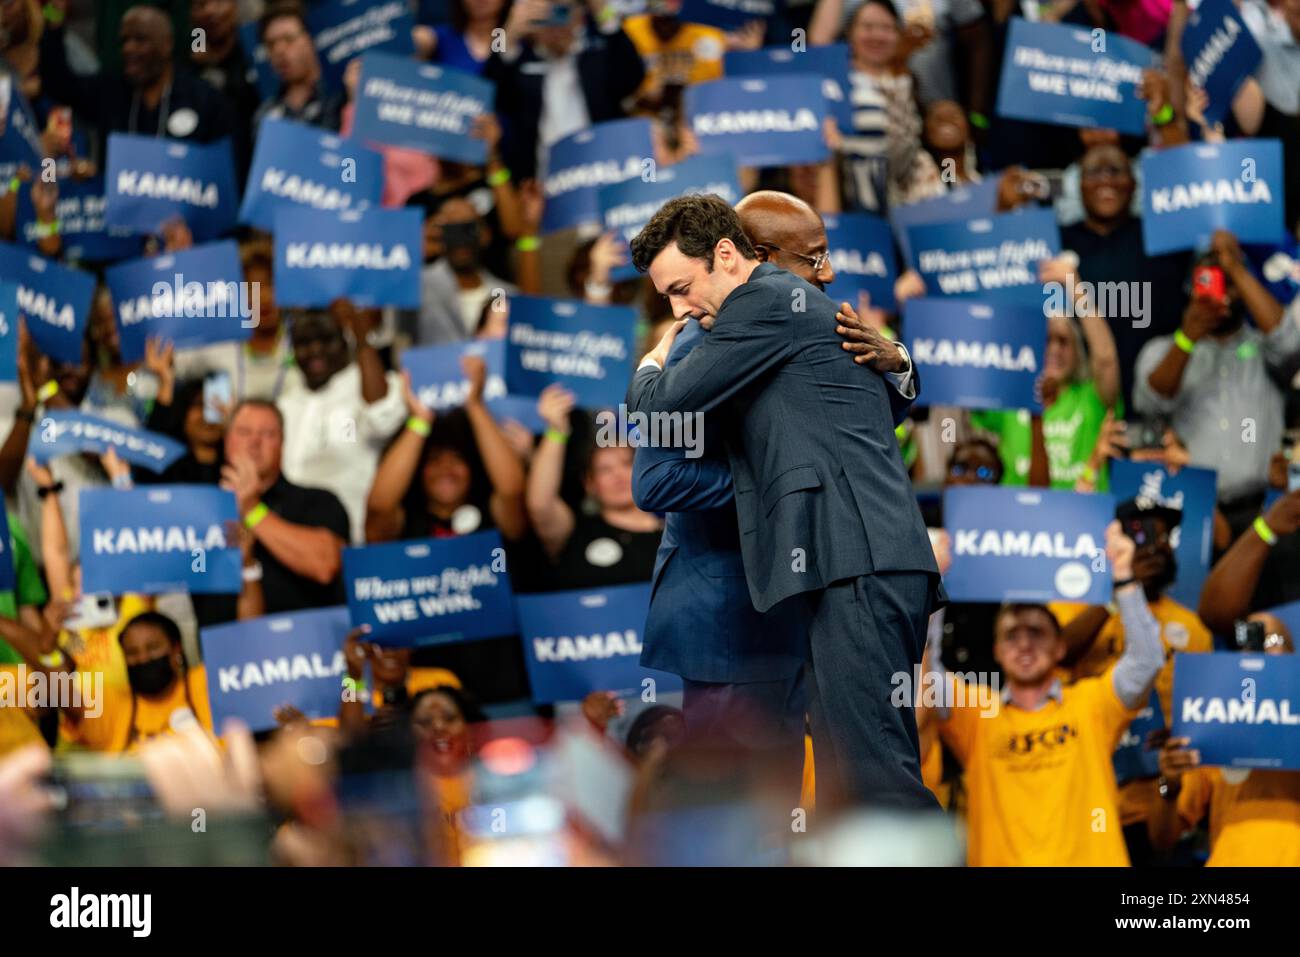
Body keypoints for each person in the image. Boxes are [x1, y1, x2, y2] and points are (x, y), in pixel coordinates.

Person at [627, 193, 941, 810]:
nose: (681, 309)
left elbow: (658, 411)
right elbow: (848, 413)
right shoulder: (770, 314)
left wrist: (650, 361)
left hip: (856, 565)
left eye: (683, 288)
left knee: (874, 784)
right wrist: (901, 362)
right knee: (850, 789)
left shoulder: (764, 303)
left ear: (729, 254)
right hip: (837, 571)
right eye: (669, 296)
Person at [926, 522, 1165, 865]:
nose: (1024, 643)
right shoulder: (977, 713)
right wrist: (932, 582)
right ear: (996, 651)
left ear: (1059, 649)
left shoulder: (1091, 703)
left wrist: (1124, 577)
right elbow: (926, 676)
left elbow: (1147, 661)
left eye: (1036, 632)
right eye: (1012, 635)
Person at [1051, 496, 1214, 863]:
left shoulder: (1193, 628)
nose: (1154, 548)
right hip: (1094, 795)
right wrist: (1117, 588)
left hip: (1165, 801)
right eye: (1140, 537)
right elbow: (1057, 654)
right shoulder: (1081, 608)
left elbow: (1206, 716)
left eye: (1163, 538)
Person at [1134, 231, 1300, 535]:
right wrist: (1188, 337)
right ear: (1190, 286)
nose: (1222, 290)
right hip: (1190, 510)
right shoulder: (1161, 350)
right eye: (1211, 278)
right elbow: (1150, 402)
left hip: (1263, 508)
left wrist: (1236, 266)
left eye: (1230, 282)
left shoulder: (1265, 349)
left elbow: (1290, 343)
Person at [1148, 612, 1300, 866]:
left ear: (1293, 656)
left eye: (1270, 639)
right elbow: (1162, 839)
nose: (1259, 648)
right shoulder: (1210, 731)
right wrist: (1168, 784)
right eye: (1248, 642)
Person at [190, 399, 350, 627]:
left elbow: (325, 565)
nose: (255, 442)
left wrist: (252, 509)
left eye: (267, 434)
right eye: (244, 432)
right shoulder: (197, 508)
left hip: (309, 649)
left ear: (283, 444)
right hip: (223, 651)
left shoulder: (318, 501)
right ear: (226, 441)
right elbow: (191, 571)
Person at [276, 306, 407, 544]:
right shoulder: (285, 404)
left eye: (327, 340)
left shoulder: (372, 386)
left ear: (346, 342)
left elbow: (382, 419)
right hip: (292, 542)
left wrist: (363, 342)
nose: (315, 350)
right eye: (304, 343)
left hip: (354, 540)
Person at [365, 357, 527, 543]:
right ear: (417, 472)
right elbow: (379, 507)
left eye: (457, 459)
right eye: (434, 460)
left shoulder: (493, 516)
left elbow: (512, 491)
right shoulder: (406, 524)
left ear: (474, 467)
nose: (446, 469)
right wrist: (420, 420)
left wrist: (475, 405)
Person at [38, 4, 236, 156]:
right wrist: (52, 17)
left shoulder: (204, 100)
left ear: (167, 45)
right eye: (124, 40)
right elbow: (57, 83)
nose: (128, 48)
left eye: (140, 40)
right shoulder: (109, 92)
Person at [484, 0, 646, 180]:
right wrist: (507, 34)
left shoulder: (597, 54)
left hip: (603, 169)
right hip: (543, 176)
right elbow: (490, 91)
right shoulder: (521, 63)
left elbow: (634, 76)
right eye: (546, 14)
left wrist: (606, 15)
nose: (554, 24)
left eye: (561, 11)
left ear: (580, 16)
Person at [526, 391, 662, 590]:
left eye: (627, 463)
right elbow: (540, 505)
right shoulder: (574, 532)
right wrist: (557, 430)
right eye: (605, 469)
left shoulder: (676, 533)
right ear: (590, 484)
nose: (619, 475)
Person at [62, 611, 213, 753]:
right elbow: (59, 694)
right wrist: (46, 651)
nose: (143, 658)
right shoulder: (114, 704)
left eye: (153, 648)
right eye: (132, 652)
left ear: (176, 649)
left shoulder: (205, 682)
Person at [251, 1, 342, 132]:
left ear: (310, 39)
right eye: (270, 45)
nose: (279, 51)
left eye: (289, 39)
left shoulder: (339, 95)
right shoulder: (264, 117)